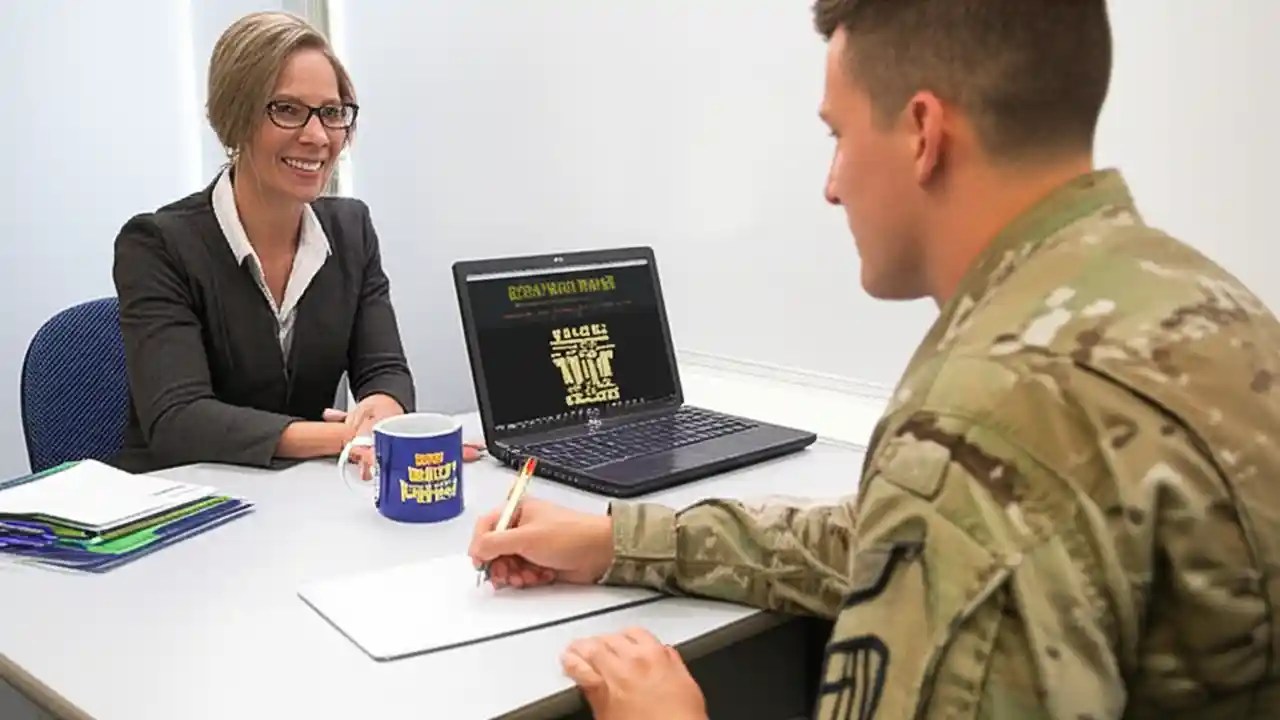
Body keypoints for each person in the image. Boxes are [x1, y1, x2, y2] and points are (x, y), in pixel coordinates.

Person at [468, 1, 1280, 718]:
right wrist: (615, 540)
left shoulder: (994, 411)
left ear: (923, 133)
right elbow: (890, 543)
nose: (831, 184)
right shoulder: (1206, 306)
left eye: (838, 134)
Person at [111, 12, 481, 473]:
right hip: (180, 504)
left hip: (298, 498)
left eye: (331, 112)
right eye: (286, 109)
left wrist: (384, 412)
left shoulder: (351, 230)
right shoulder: (158, 244)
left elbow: (384, 368)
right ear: (235, 117)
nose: (317, 136)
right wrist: (350, 437)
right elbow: (179, 420)